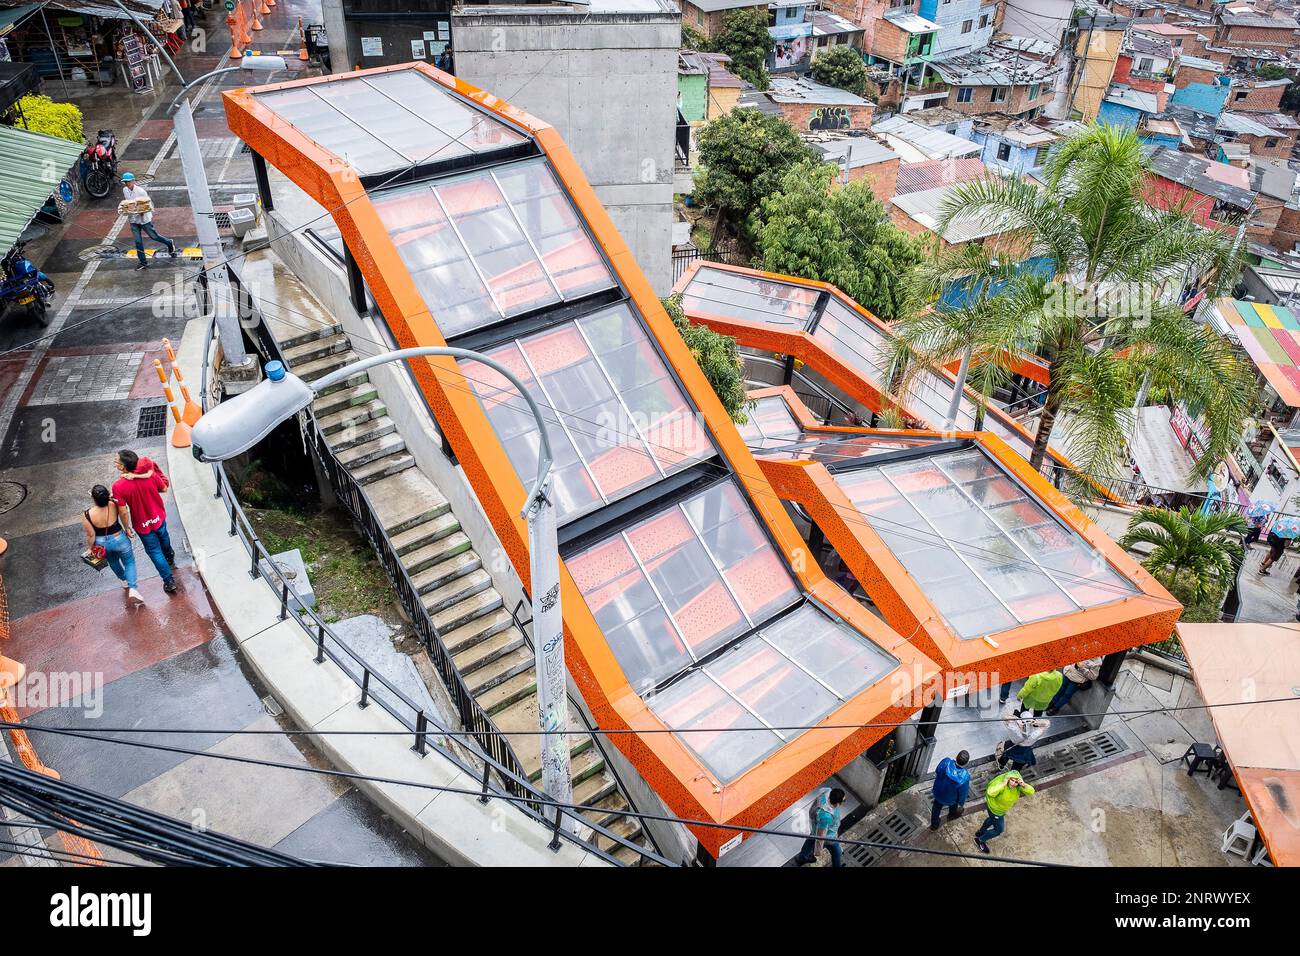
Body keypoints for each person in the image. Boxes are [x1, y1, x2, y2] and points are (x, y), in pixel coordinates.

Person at [111, 449, 176, 593]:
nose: (115, 464)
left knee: (154, 551)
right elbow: (164, 489)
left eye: (116, 462)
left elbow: (123, 510)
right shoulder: (150, 475)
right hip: (158, 516)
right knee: (164, 537)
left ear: (123, 466)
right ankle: (170, 556)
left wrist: (126, 527)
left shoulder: (118, 486)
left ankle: (169, 581)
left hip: (142, 524)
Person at [81, 485, 143, 605]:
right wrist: (127, 528)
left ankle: (123, 580)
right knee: (129, 562)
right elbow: (124, 512)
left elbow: (90, 535)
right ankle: (133, 588)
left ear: (93, 499)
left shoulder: (87, 514)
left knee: (113, 562)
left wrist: (90, 548)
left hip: (101, 543)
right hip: (119, 537)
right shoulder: (114, 504)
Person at [121, 172, 177, 271]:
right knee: (138, 242)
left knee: (154, 236)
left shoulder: (141, 191)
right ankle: (143, 262)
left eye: (128, 181)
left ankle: (169, 243)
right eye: (125, 182)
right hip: (133, 220)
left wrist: (142, 211)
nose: (127, 184)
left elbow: (149, 205)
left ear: (133, 181)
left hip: (143, 219)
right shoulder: (125, 190)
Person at [974, 770, 1035, 854]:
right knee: (999, 830)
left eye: (1016, 782)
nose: (1013, 783)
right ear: (1008, 779)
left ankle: (980, 832)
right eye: (1012, 780)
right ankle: (980, 840)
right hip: (995, 810)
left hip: (1001, 809)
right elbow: (990, 792)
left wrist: (1023, 784)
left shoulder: (1018, 786)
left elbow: (1031, 792)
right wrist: (1003, 784)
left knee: (991, 820)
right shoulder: (1000, 782)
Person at [795, 786, 846, 867]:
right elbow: (821, 836)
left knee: (811, 839)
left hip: (815, 825)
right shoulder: (826, 816)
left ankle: (802, 858)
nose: (844, 801)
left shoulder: (827, 792)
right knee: (837, 853)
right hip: (829, 837)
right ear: (837, 804)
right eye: (843, 800)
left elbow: (821, 790)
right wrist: (818, 852)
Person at [996, 706, 1049, 771]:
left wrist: (1016, 719)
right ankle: (1014, 774)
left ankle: (1001, 766)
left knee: (1005, 756)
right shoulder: (1034, 734)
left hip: (1012, 746)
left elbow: (1004, 717)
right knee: (1018, 765)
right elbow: (1047, 724)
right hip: (1025, 751)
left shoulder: (1014, 730)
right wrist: (1038, 722)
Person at [930, 750, 970, 831]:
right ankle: (951, 816)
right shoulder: (964, 777)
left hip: (939, 793)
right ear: (967, 763)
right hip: (952, 799)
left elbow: (937, 771)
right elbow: (963, 793)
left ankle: (934, 826)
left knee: (936, 808)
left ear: (956, 757)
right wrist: (961, 803)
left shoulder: (945, 762)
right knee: (953, 807)